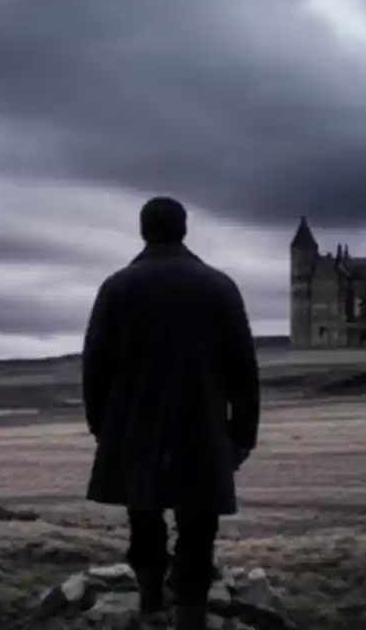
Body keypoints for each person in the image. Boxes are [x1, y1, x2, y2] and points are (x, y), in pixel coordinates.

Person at [82, 196, 261, 629]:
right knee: (200, 524)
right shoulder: (219, 286)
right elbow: (244, 368)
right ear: (184, 230)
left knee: (143, 514)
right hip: (202, 424)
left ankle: (150, 601)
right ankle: (190, 614)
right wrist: (242, 435)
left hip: (135, 426)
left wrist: (104, 429)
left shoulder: (117, 287)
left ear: (144, 231)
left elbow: (95, 366)